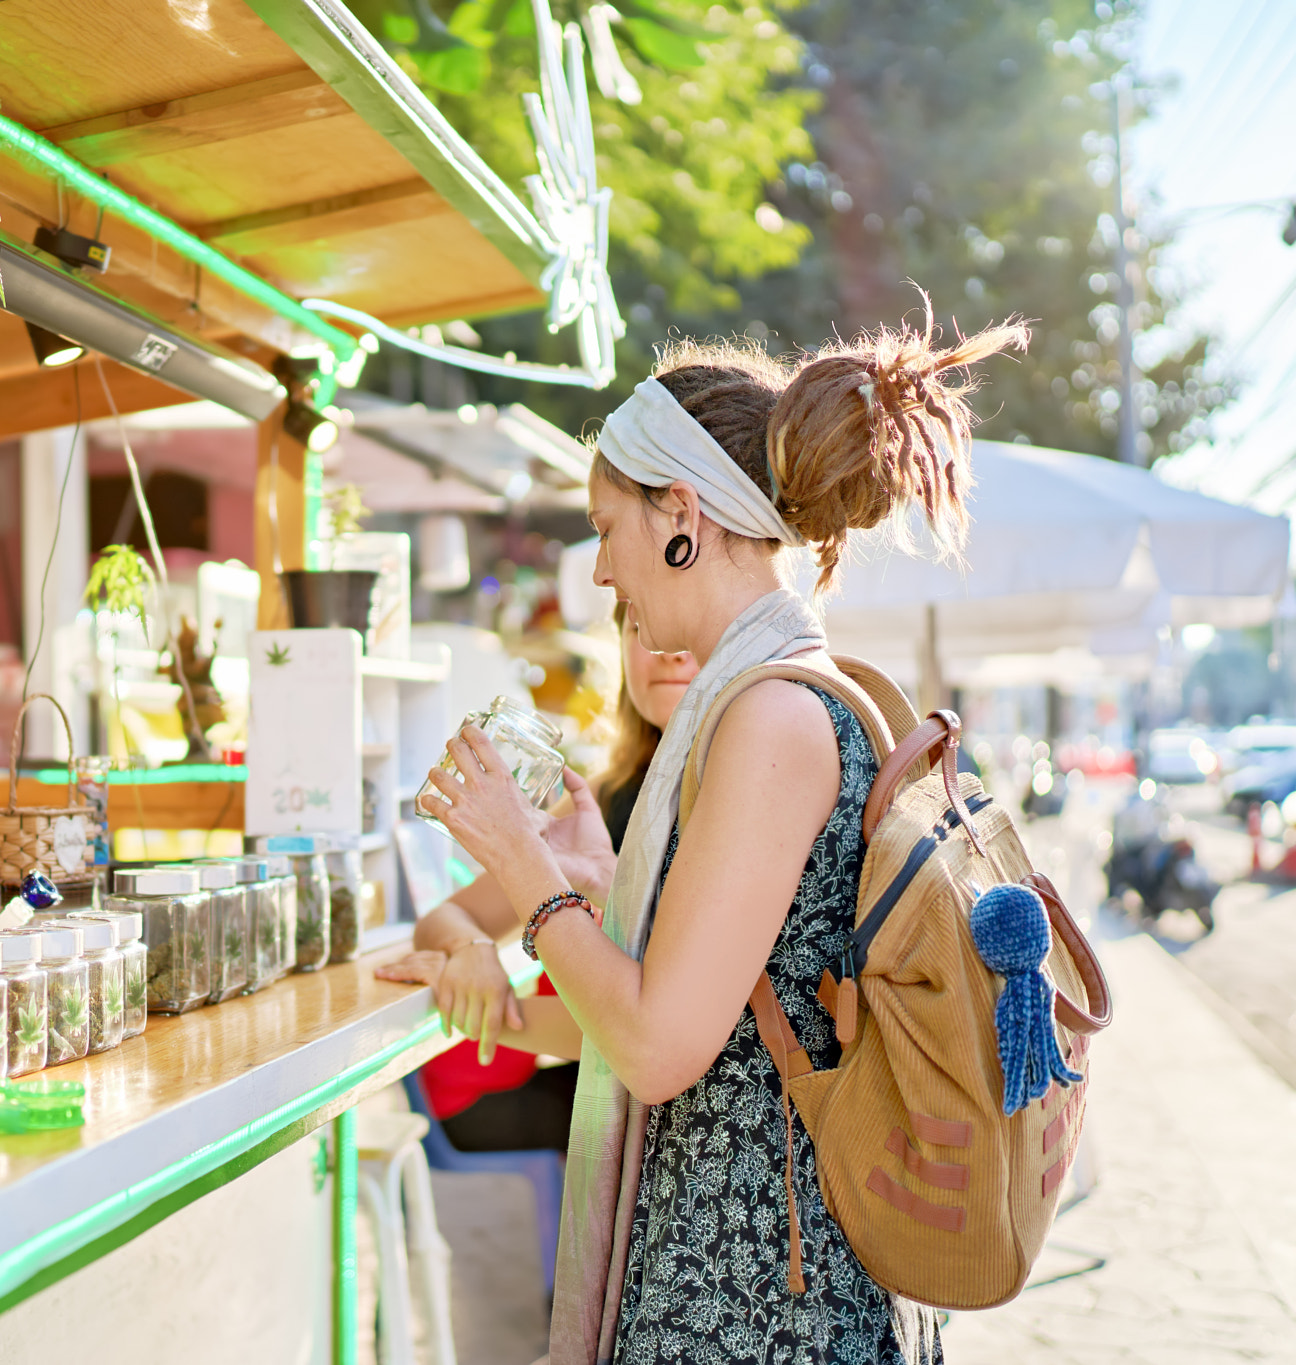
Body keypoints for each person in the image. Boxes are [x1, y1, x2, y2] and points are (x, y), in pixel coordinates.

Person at [419, 314, 1025, 1365]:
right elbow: (723, 1030)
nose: (601, 571)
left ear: (680, 516)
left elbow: (657, 1050)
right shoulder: (786, 696)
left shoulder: (769, 718)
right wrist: (587, 887)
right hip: (762, 1277)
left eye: (606, 527)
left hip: (756, 1302)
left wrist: (523, 867)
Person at [378, 604, 695, 1154]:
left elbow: (661, 1030)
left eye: (688, 625)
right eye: (639, 627)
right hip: (610, 1095)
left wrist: (484, 1009)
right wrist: (472, 950)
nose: (668, 649)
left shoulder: (736, 805)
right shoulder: (598, 802)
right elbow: (444, 919)